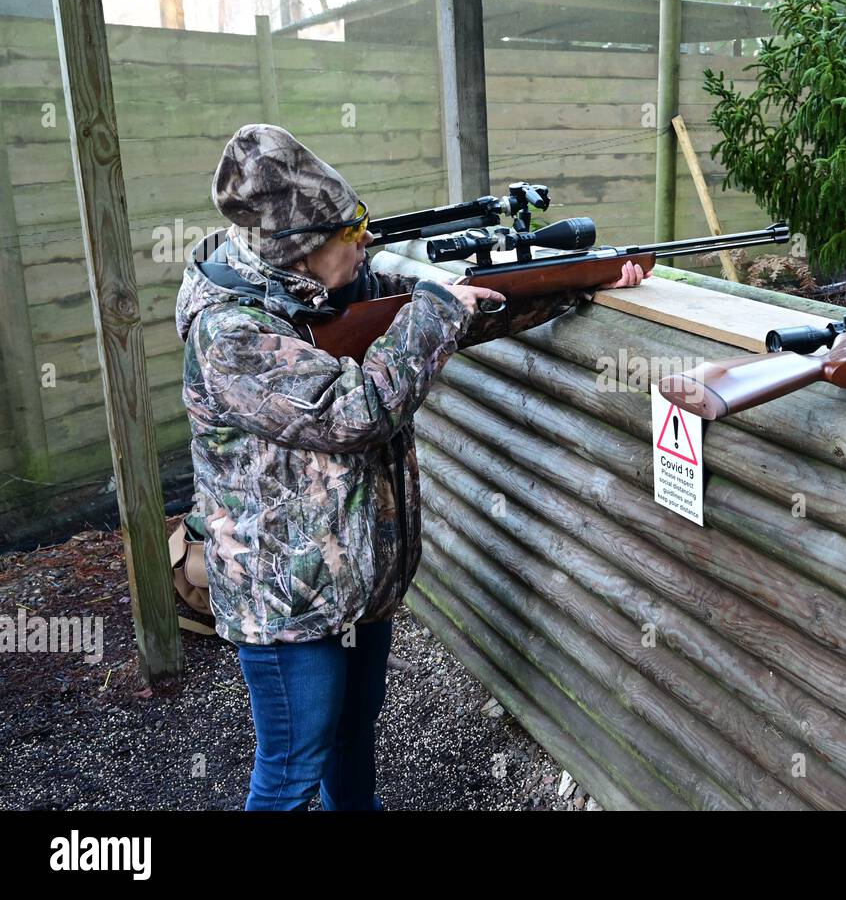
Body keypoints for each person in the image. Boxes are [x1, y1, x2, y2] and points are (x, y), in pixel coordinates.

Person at [174, 124, 643, 810]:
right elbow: (355, 411)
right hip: (286, 600)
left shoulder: (321, 288)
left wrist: (573, 286)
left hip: (356, 579)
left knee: (351, 739)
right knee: (291, 771)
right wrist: (436, 312)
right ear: (301, 251)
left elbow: (448, 314)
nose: (365, 241)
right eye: (349, 231)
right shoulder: (232, 333)